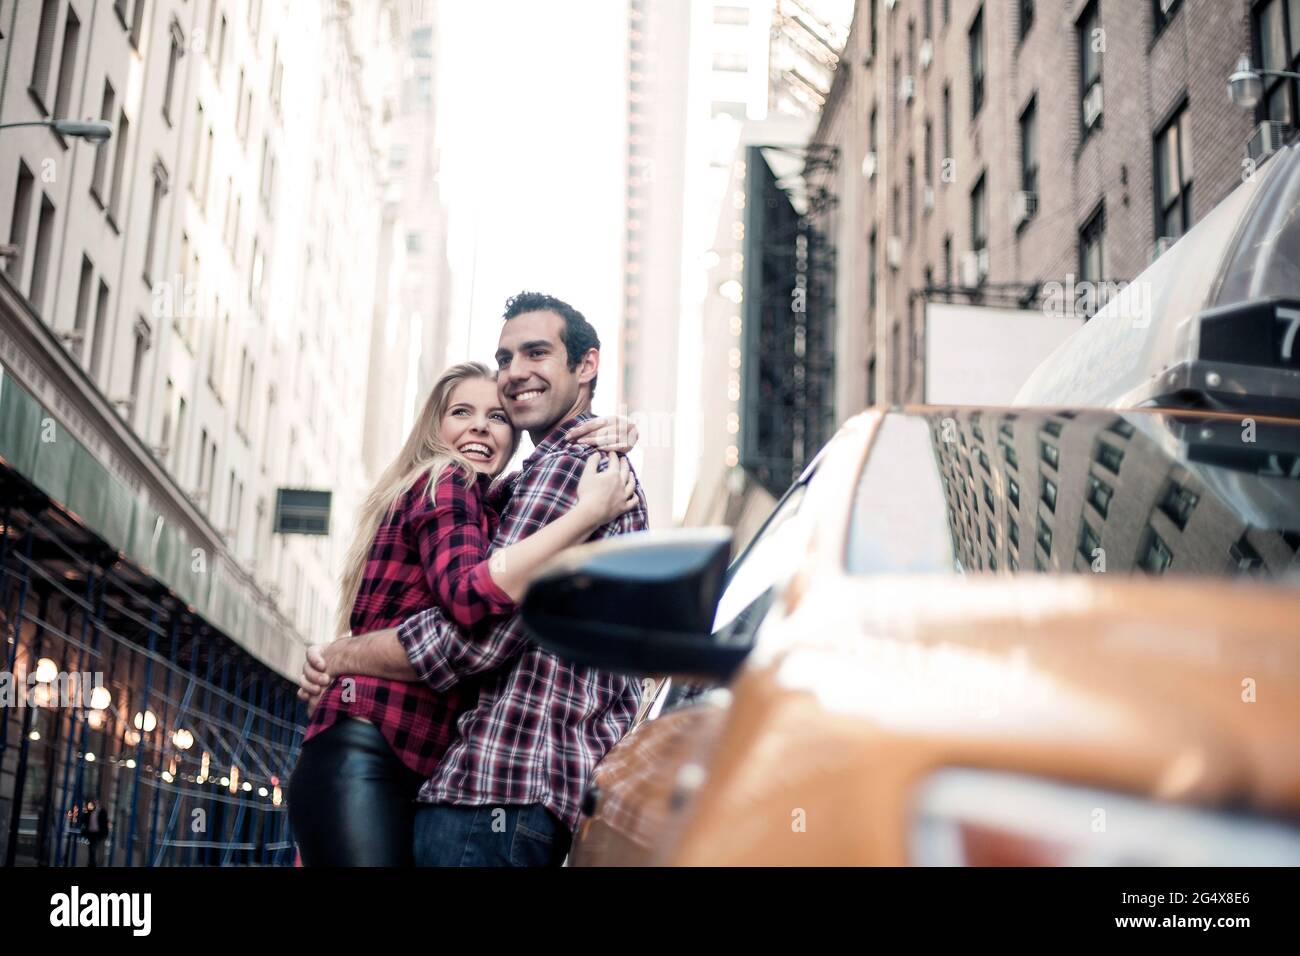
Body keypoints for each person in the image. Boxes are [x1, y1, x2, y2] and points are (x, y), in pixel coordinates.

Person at [299, 291, 649, 867]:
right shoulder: (496, 485)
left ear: (586, 365)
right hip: (481, 788)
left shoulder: (567, 468)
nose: (515, 374)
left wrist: (343, 655)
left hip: (499, 793)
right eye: (505, 357)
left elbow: (474, 636)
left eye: (536, 353)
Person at [82, 797, 108, 867]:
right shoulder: (90, 810)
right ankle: (91, 863)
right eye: (94, 802)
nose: (95, 803)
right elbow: (85, 819)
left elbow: (104, 823)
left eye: (96, 801)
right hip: (91, 832)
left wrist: (104, 833)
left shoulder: (102, 811)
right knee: (91, 849)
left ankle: (92, 864)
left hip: (97, 833)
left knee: (93, 848)